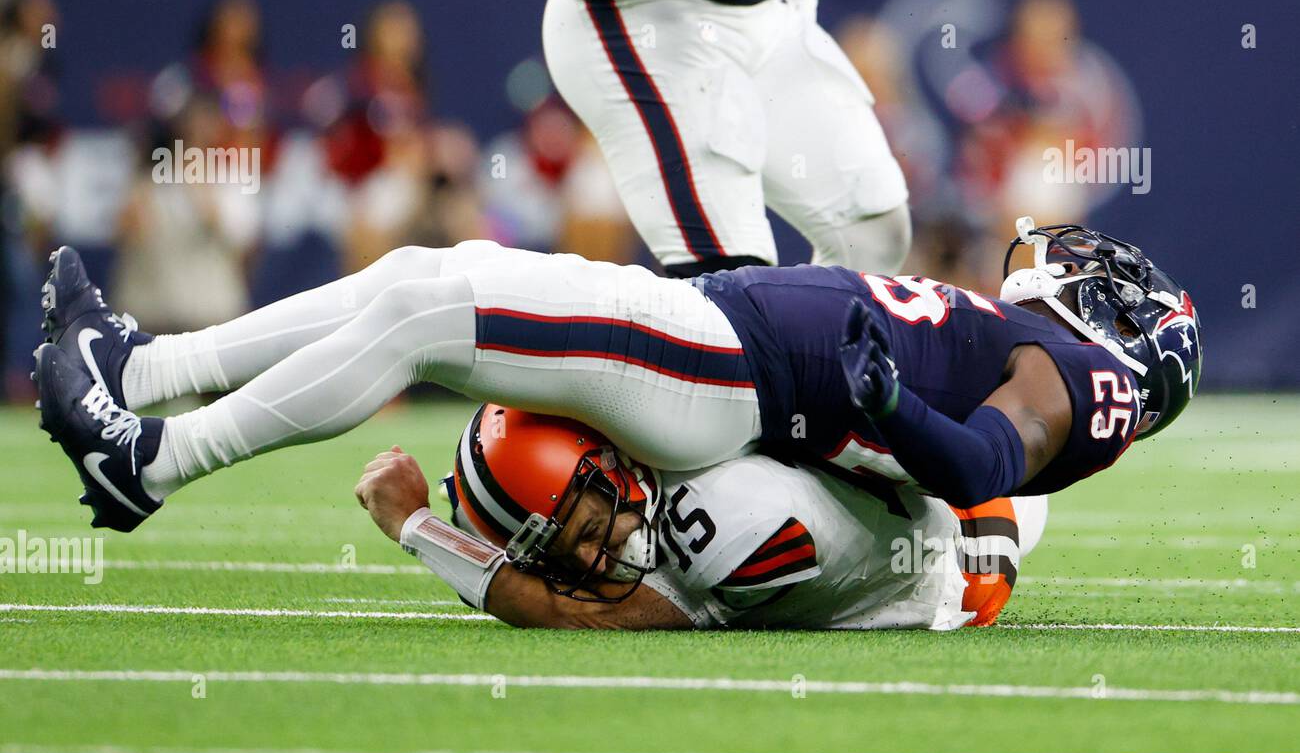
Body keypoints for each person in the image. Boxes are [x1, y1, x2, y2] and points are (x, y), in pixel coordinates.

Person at [33, 216, 1200, 534]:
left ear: (1126, 335)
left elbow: (984, 464)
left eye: (1115, 286)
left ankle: (157, 459)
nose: (1083, 270)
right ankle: (140, 369)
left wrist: (891, 402)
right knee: (420, 278)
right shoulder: (1045, 359)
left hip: (723, 368)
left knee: (427, 307)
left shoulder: (1065, 382)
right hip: (715, 339)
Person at [516, 0, 912, 277]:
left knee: (873, 233)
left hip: (766, 8)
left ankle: (814, 348)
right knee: (729, 281)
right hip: (639, 11)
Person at [353, 403, 1047, 630]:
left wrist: (416, 527)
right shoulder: (670, 428)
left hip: (955, 547)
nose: (596, 564)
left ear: (611, 459)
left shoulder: (727, 528)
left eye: (593, 531)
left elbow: (569, 612)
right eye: (570, 556)